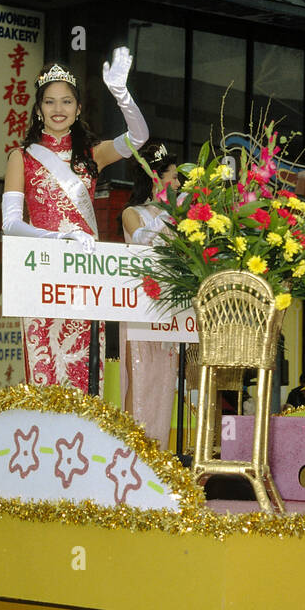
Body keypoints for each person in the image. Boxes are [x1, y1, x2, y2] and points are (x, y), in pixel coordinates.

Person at [2, 49, 147, 393]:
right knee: (45, 371)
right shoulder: (20, 157)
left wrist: (121, 94)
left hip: (82, 275)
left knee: (83, 370)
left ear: (78, 108)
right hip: (39, 272)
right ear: (38, 109)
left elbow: (139, 138)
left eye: (66, 102)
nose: (58, 110)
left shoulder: (92, 154)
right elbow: (9, 223)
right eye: (50, 102)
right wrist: (56, 238)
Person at [120, 143, 179, 447]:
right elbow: (143, 240)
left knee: (165, 382)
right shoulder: (132, 213)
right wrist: (169, 213)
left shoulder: (179, 217)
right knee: (140, 379)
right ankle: (133, 454)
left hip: (169, 310)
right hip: (139, 306)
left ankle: (159, 456)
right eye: (173, 178)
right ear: (156, 179)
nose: (179, 184)